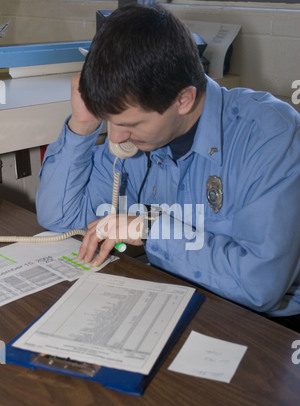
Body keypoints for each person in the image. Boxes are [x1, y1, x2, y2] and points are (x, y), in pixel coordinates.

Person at [36, 4, 300, 327]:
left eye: (130, 124)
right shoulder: (136, 138)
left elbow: (261, 285)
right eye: (110, 122)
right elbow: (59, 218)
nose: (116, 138)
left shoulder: (270, 136)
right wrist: (82, 126)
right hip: (171, 300)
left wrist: (150, 228)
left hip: (265, 327)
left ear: (184, 99)